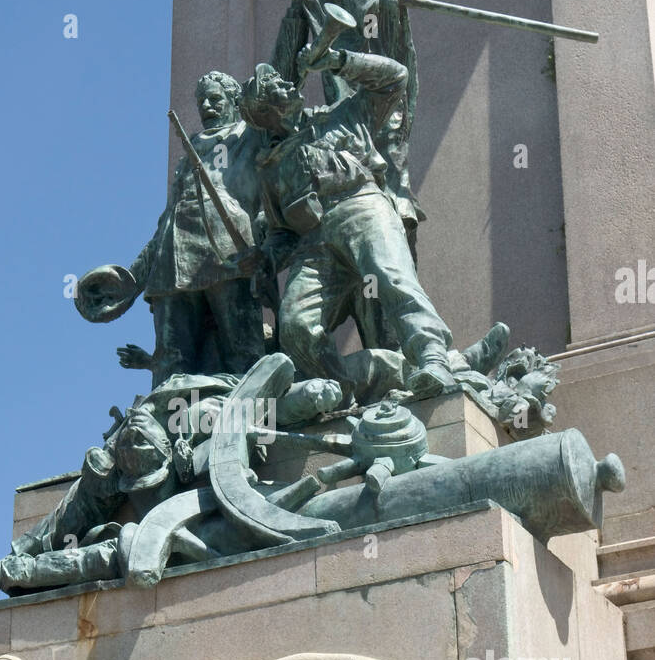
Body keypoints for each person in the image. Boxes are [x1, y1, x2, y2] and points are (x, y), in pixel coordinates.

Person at [238, 50, 456, 401]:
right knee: (294, 326)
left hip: (362, 207)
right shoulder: (271, 167)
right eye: (274, 86)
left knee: (393, 278)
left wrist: (340, 61)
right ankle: (343, 393)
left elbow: (395, 78)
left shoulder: (344, 113)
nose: (286, 84)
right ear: (263, 111)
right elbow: (281, 233)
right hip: (313, 242)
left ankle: (432, 358)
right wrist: (264, 258)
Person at [76, 71, 267, 384]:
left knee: (243, 353)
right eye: (201, 100)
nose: (207, 106)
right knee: (173, 359)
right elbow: (166, 220)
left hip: (228, 249)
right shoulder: (188, 153)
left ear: (236, 101)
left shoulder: (249, 135)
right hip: (174, 257)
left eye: (215, 99)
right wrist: (130, 280)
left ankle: (253, 421)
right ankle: (168, 425)